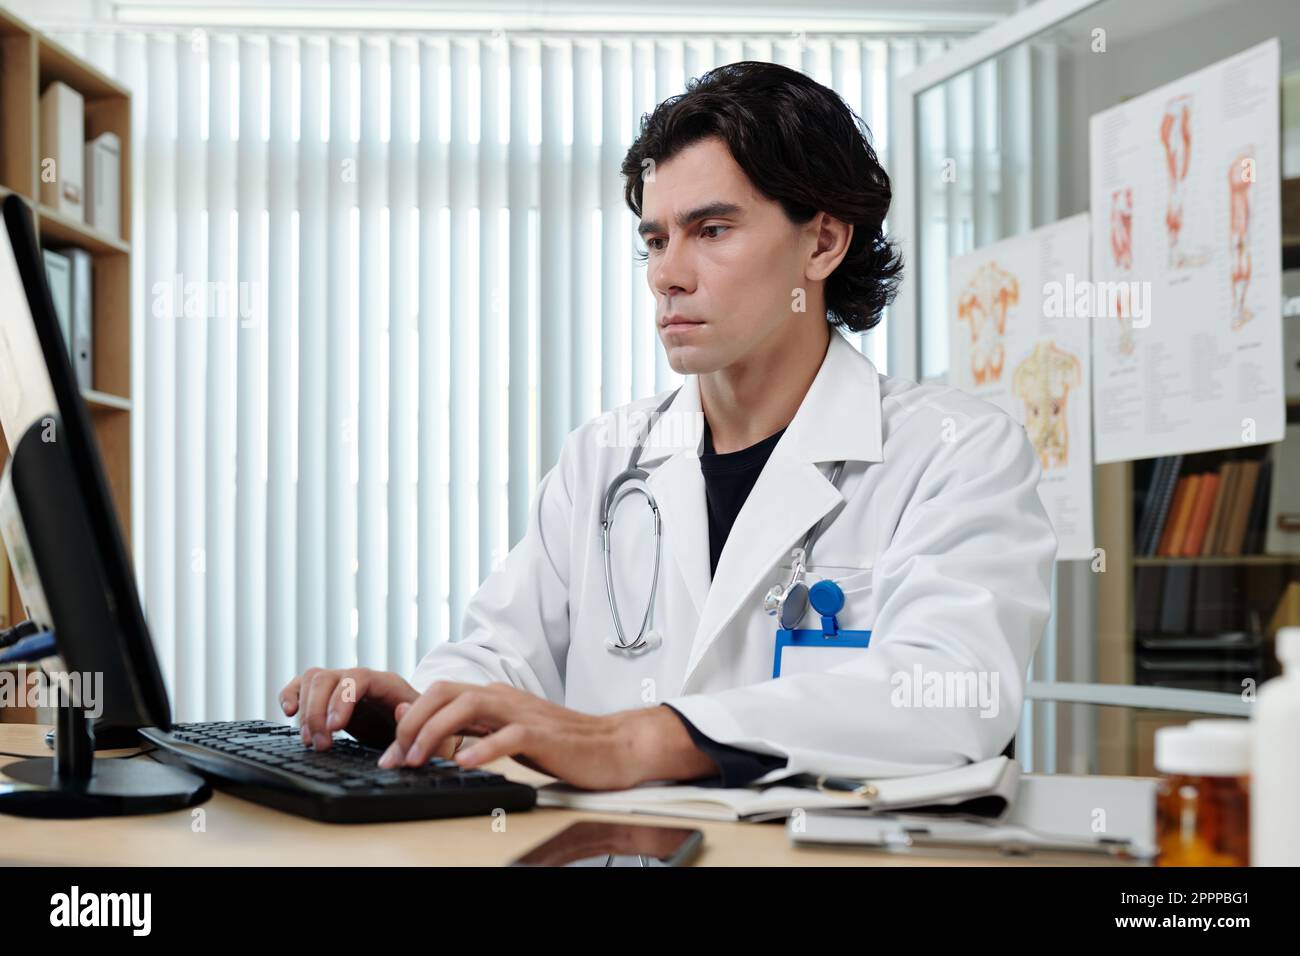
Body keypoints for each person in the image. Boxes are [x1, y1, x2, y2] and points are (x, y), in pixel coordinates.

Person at [280, 61, 1057, 791]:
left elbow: (952, 694)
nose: (666, 274)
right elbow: (506, 662)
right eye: (655, 240)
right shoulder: (605, 459)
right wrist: (422, 710)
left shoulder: (953, 452)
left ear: (822, 241)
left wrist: (635, 741)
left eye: (711, 231)